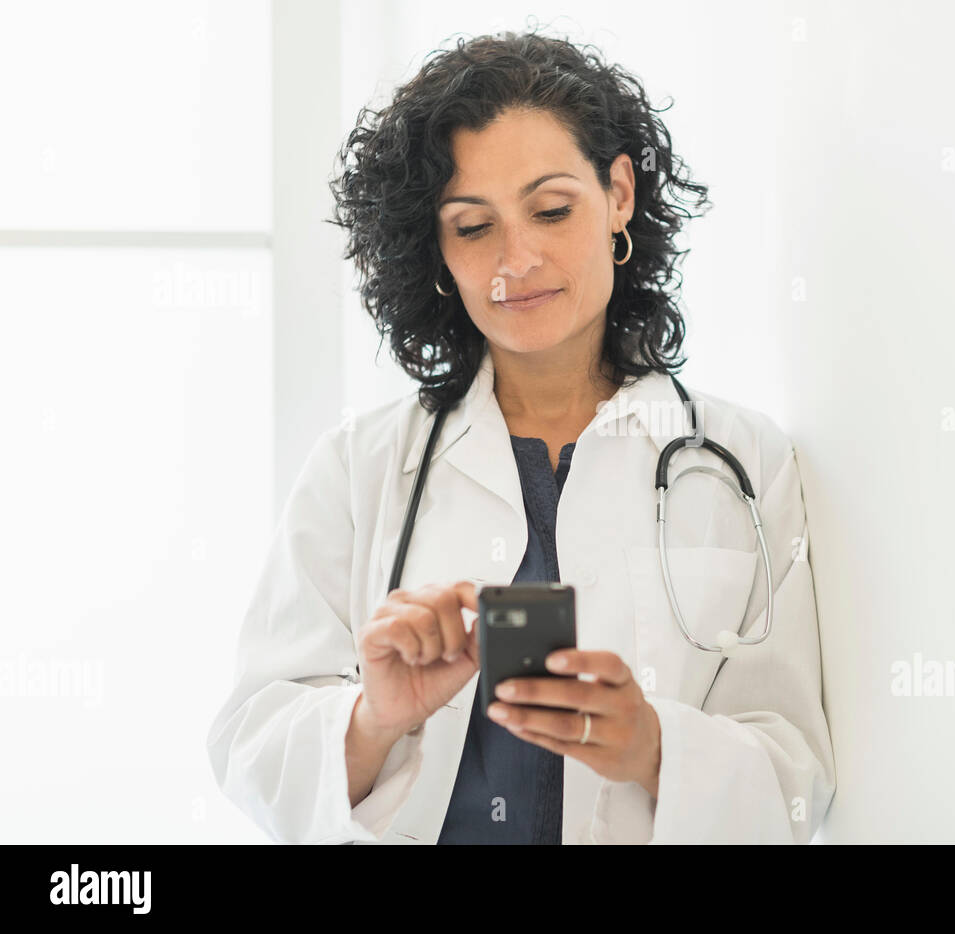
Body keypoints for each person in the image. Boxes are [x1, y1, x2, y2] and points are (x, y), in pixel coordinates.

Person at [206, 29, 834, 844]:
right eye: (473, 227)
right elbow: (253, 740)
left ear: (617, 195)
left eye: (550, 209)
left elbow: (797, 775)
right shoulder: (357, 469)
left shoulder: (745, 464)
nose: (518, 258)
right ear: (435, 248)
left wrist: (655, 749)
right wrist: (373, 719)